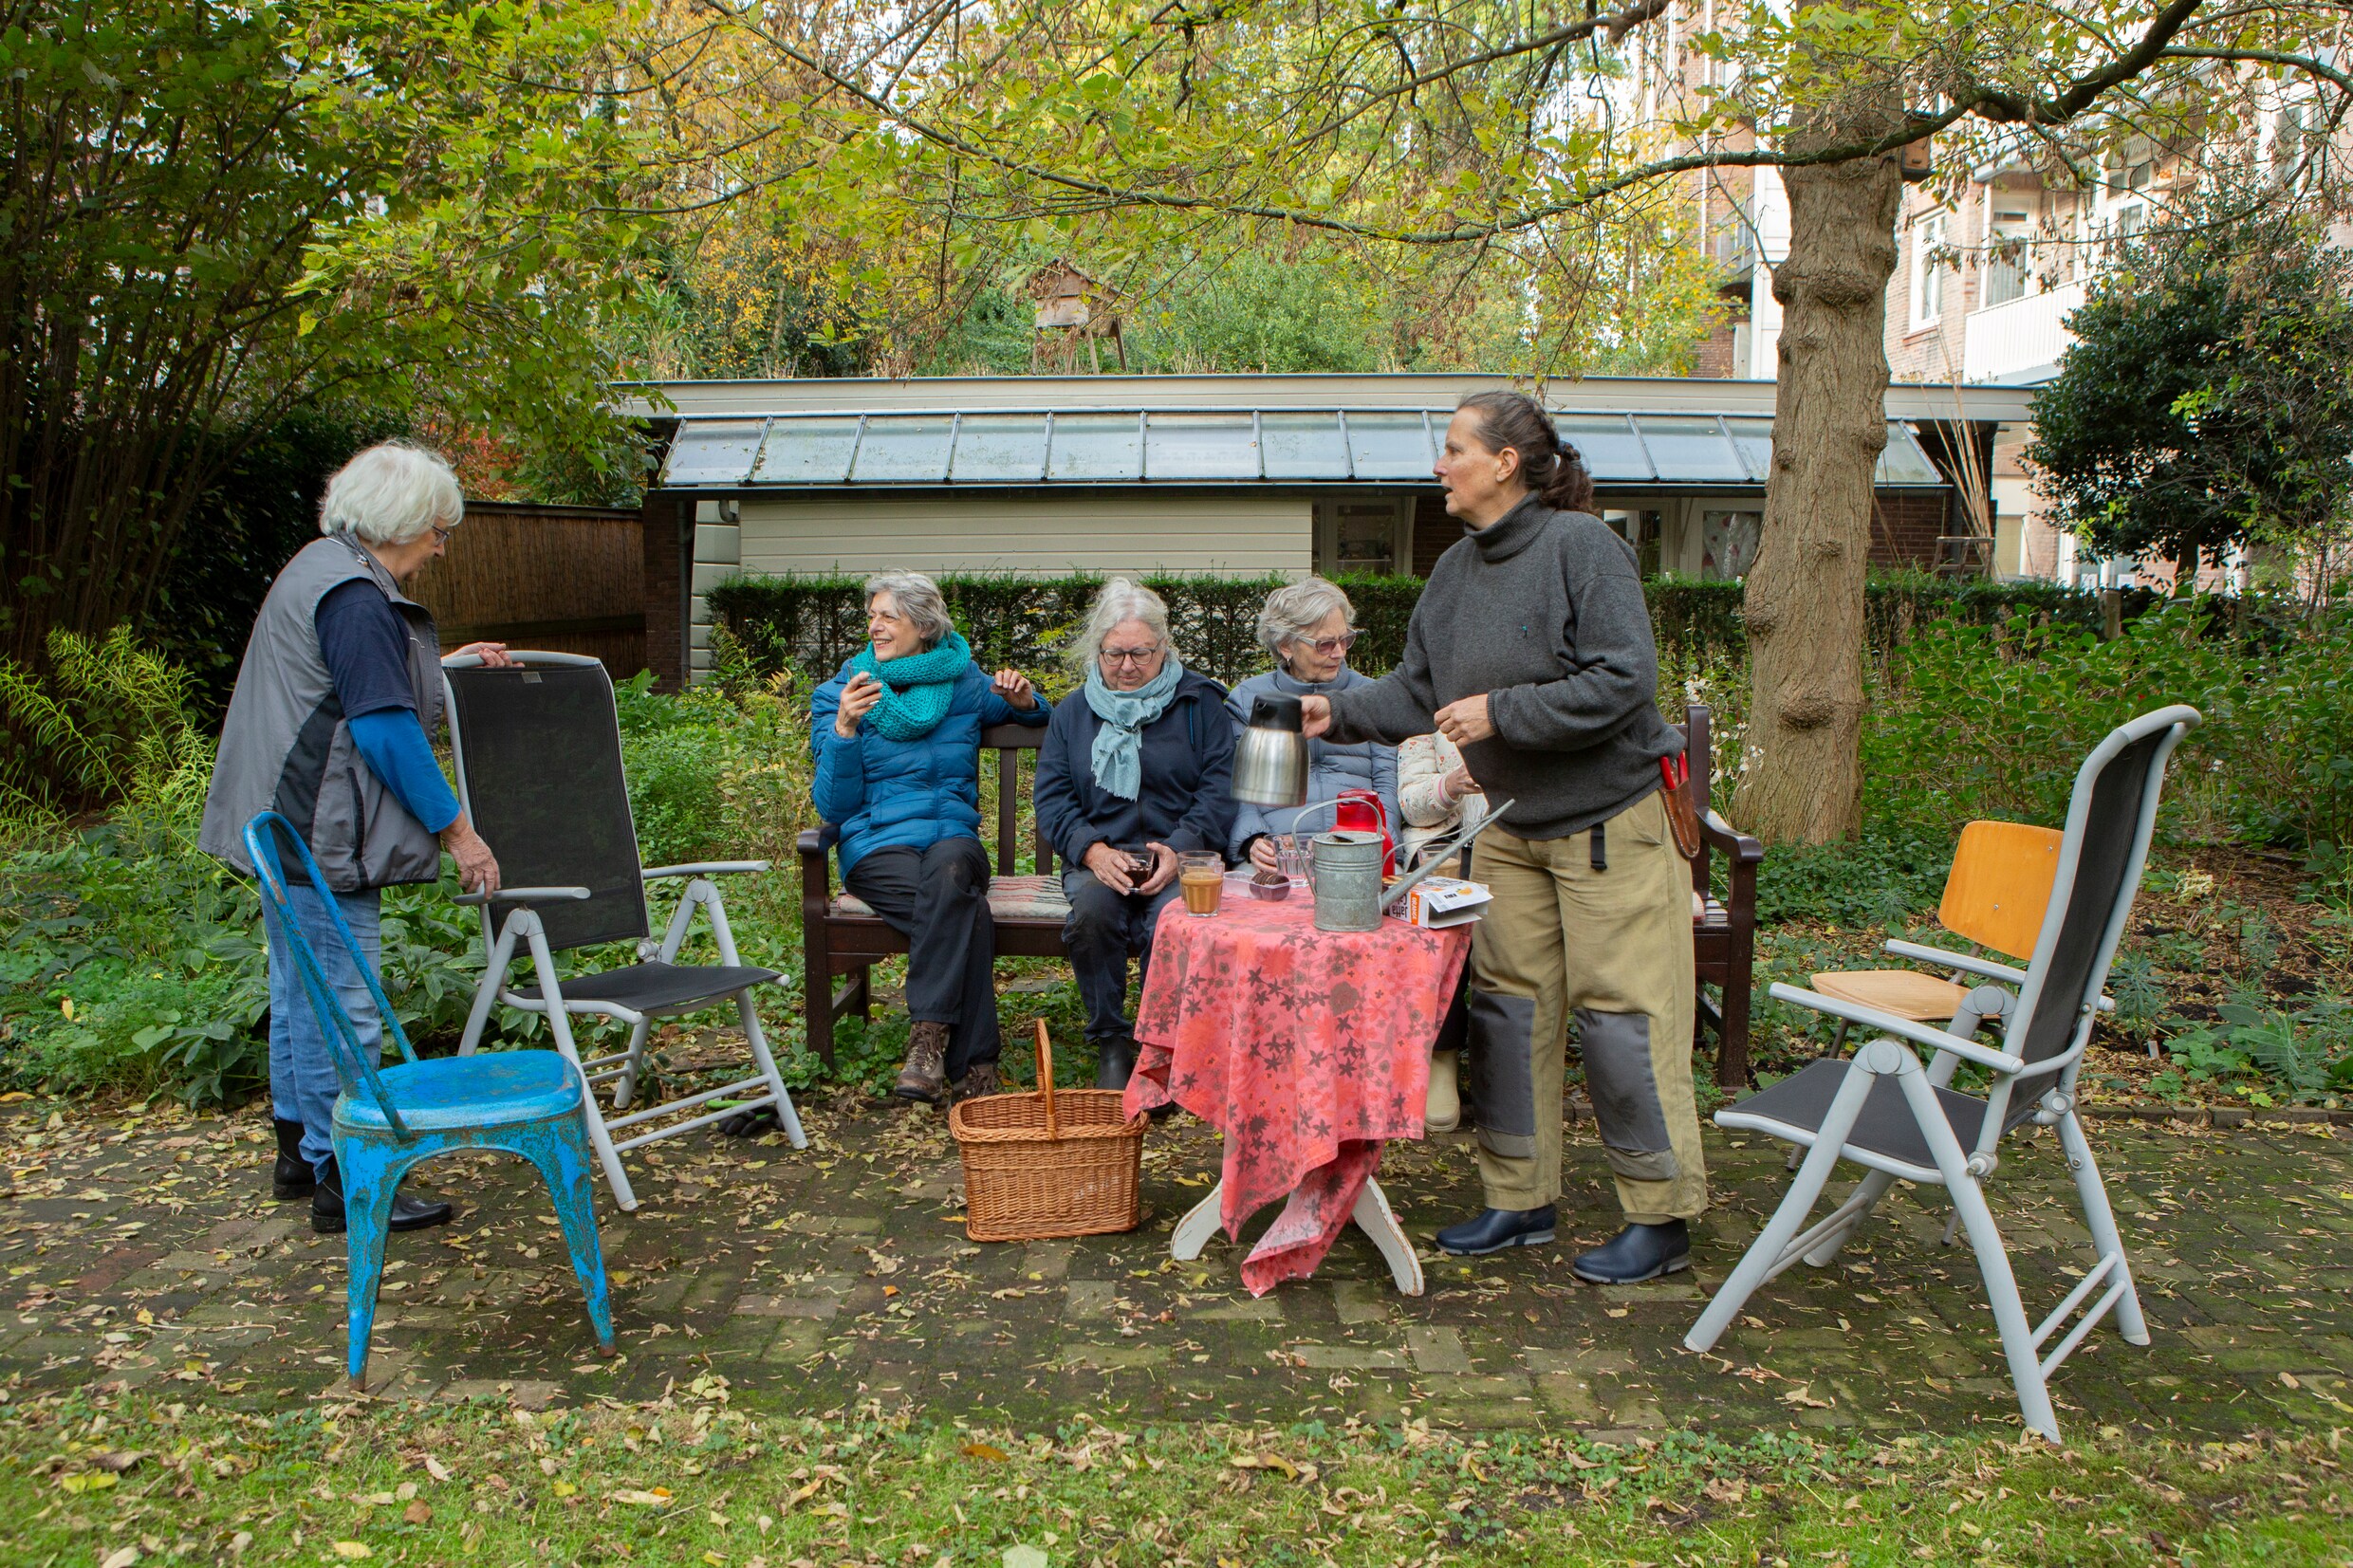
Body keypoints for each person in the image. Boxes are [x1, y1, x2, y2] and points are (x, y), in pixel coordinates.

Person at [1300, 390, 1706, 1284]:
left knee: (1621, 1021)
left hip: (1612, 825)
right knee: (1508, 1014)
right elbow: (1415, 692)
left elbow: (1624, 681)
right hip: (1513, 826)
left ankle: (1660, 1214)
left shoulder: (1583, 550)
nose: (1439, 466)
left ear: (1506, 462)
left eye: (1452, 449)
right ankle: (1519, 1199)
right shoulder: (1453, 573)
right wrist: (1338, 710)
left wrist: (1502, 712)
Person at [199, 442, 511, 1236]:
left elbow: (341, 681)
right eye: (438, 529)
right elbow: (381, 729)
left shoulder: (319, 566)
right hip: (316, 831)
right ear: (403, 522)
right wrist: (460, 832)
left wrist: (446, 664)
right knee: (344, 1005)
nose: (441, 546)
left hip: (277, 822)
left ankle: (300, 1157)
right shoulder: (359, 598)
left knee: (298, 995)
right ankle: (352, 1176)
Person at [810, 572, 1047, 1105]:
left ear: (923, 624)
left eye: (887, 616)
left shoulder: (964, 685)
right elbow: (835, 806)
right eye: (871, 615)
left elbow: (1030, 714)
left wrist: (1028, 701)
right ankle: (976, 1061)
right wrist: (844, 730)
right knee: (971, 913)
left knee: (951, 874)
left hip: (951, 843)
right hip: (877, 847)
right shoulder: (841, 693)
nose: (874, 626)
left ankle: (927, 1040)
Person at [1033, 579, 1236, 1090]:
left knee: (1172, 916)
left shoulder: (1200, 704)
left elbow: (1219, 789)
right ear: (1097, 651)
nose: (1127, 666)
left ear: (1164, 648)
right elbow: (1053, 798)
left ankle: (1162, 1048)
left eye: (1140, 653)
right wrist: (1091, 850)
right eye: (1114, 654)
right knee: (1095, 915)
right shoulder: (1073, 712)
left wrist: (1181, 848)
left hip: (1177, 853)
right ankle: (1111, 1042)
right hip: (1101, 856)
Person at [1225, 578, 1398, 872]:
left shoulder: (1370, 695)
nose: (1340, 652)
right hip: (1277, 851)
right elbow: (1236, 785)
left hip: (1356, 848)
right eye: (1325, 644)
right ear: (1286, 645)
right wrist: (1251, 839)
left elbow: (1386, 782)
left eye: (1345, 639)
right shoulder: (1249, 698)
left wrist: (1383, 839)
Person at [1395, 729, 1488, 1134]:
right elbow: (1412, 809)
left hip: (1517, 846)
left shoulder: (1528, 707)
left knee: (1512, 929)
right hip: (1445, 849)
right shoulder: (1426, 722)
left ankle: (1503, 1062)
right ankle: (1442, 1054)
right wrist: (1450, 785)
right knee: (1446, 923)